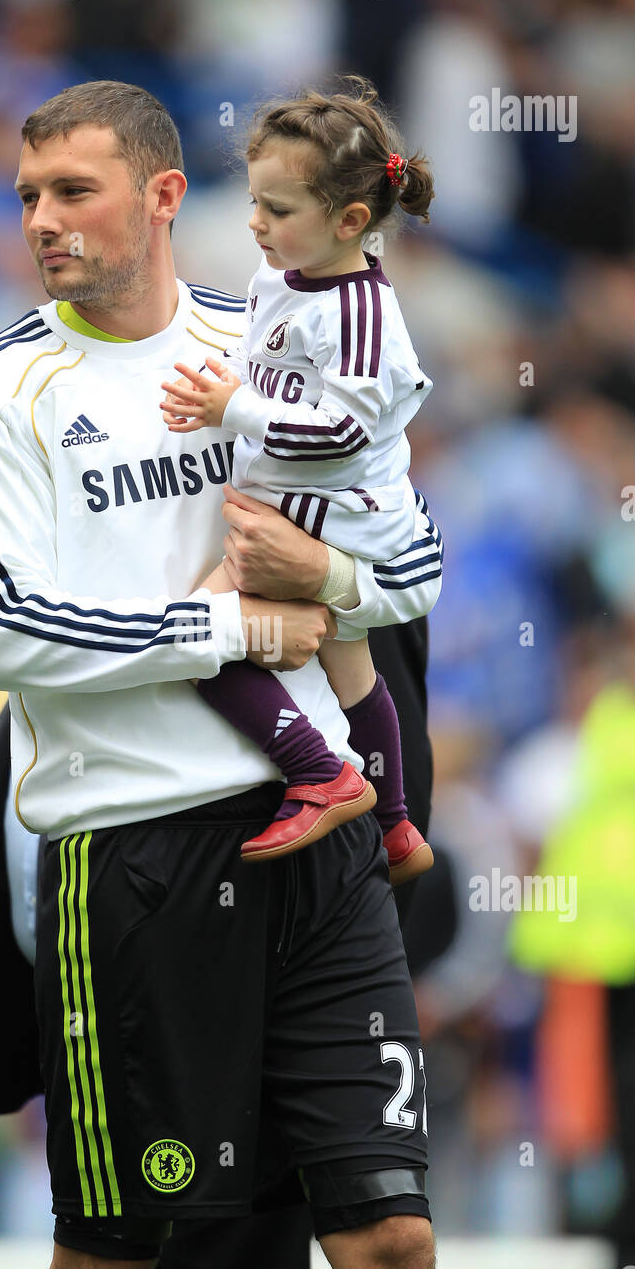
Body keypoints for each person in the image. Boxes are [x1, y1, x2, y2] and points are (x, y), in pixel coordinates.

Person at [0, 78, 437, 1269]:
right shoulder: (2, 391)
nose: (44, 220)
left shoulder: (266, 339)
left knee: (391, 1239)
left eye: (73, 191)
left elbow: (410, 555)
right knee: (119, 1262)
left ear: (162, 197)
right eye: (27, 198)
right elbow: (4, 632)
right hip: (134, 856)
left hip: (321, 844)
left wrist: (326, 575)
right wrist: (230, 631)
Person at [160, 80, 441, 880]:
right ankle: (393, 825)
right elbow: (276, 371)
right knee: (353, 670)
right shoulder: (282, 274)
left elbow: (340, 430)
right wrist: (228, 383)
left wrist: (232, 409)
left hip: (326, 518)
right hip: (306, 507)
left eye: (277, 210)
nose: (256, 224)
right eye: (254, 202)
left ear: (349, 222)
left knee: (193, 642)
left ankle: (318, 772)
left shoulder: (361, 315)